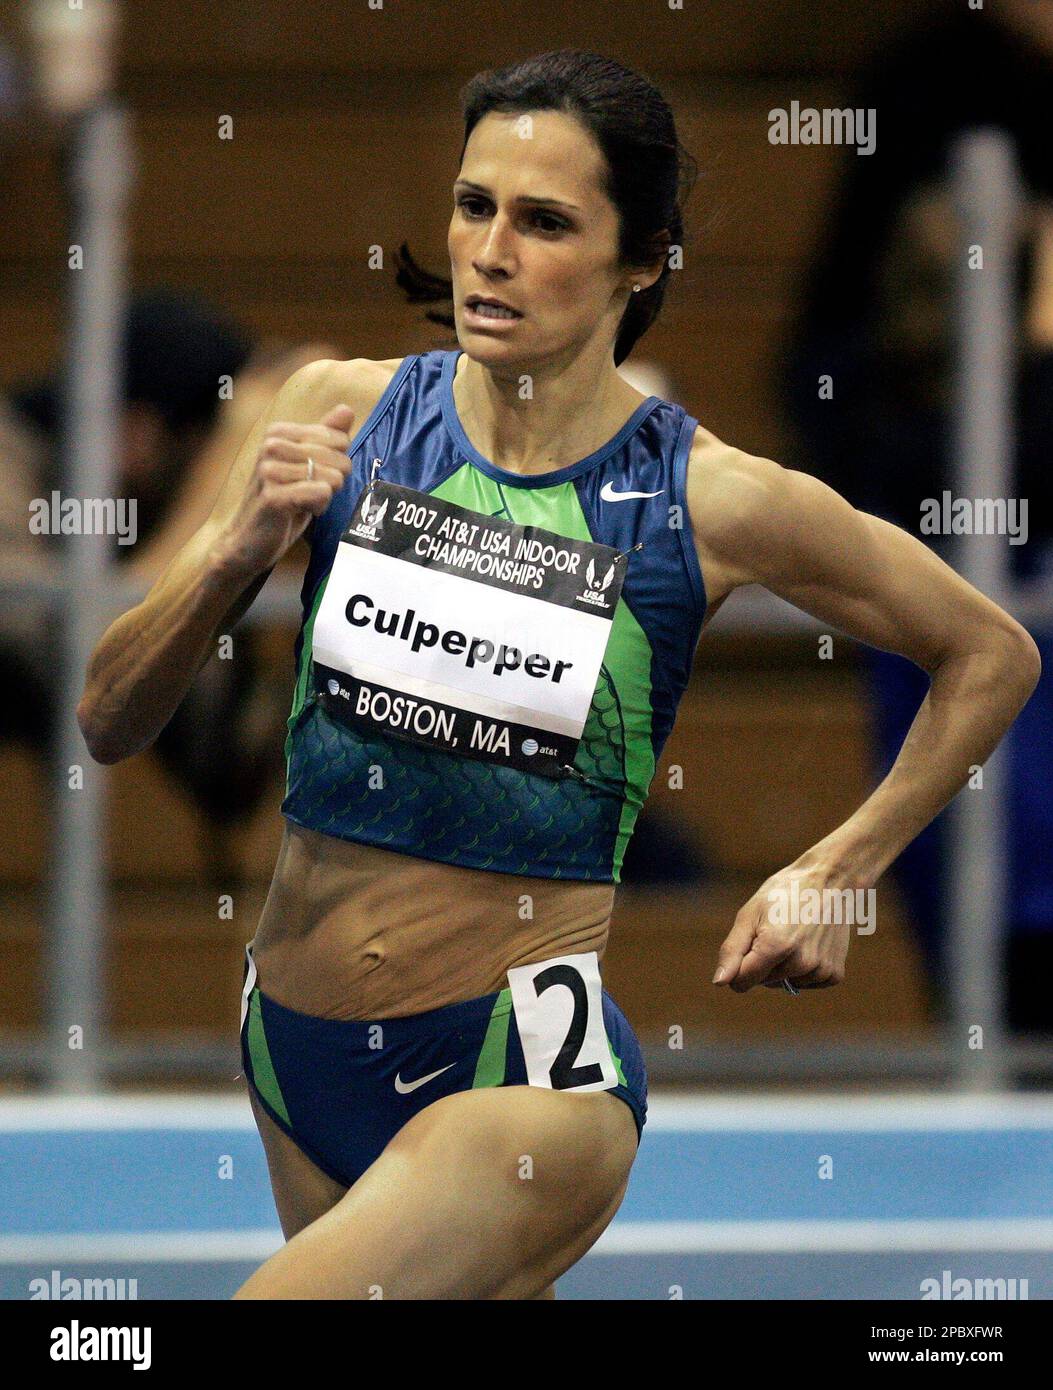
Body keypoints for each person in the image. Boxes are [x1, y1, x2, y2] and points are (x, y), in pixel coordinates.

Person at [78, 50, 1041, 1300]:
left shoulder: (711, 499)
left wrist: (833, 866)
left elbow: (991, 651)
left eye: (544, 222)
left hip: (518, 1077)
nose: (490, 251)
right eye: (475, 206)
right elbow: (104, 716)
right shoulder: (341, 414)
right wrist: (231, 561)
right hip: (295, 1046)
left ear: (640, 262)